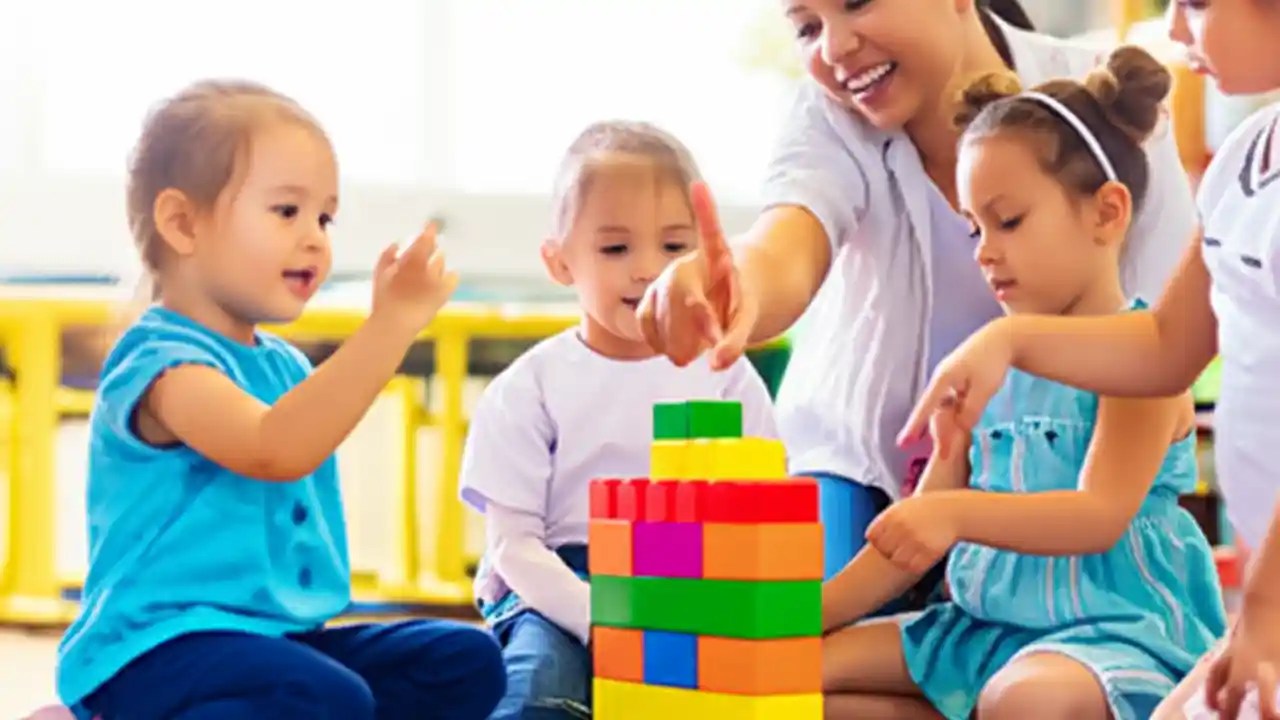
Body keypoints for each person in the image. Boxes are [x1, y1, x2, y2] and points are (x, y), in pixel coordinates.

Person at [637, 0, 1195, 587]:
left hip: (1052, 483)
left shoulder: (1106, 108)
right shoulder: (828, 116)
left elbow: (1162, 339)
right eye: (807, 27)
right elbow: (790, 238)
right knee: (801, 632)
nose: (834, 48)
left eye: (856, 4)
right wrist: (732, 288)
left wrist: (1014, 344)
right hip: (861, 469)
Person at [56, 80, 505, 720]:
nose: (317, 239)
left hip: (273, 644)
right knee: (320, 696)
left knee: (466, 660)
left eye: (325, 217)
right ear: (182, 224)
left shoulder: (281, 363)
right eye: (287, 212)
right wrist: (391, 326)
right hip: (151, 652)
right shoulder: (161, 363)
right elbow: (275, 446)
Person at [819, 46, 1226, 720]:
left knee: (1025, 699)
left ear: (1106, 212)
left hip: (1115, 633)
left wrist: (952, 513)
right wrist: (801, 616)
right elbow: (915, 532)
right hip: (982, 630)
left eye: (1008, 221)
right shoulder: (987, 364)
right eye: (974, 227)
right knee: (781, 677)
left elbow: (1096, 516)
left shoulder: (1142, 359)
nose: (984, 250)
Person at [897, 3, 1280, 718]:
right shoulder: (1238, 166)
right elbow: (1166, 347)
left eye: (1196, 2)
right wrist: (1003, 341)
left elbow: (1100, 506)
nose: (1172, 30)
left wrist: (1266, 608)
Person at [458, 121, 779, 720]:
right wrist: (598, 617)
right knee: (540, 689)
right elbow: (514, 546)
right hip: (557, 587)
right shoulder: (530, 386)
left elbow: (760, 512)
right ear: (559, 262)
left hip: (689, 576)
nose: (648, 269)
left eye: (674, 247)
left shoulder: (727, 373)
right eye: (615, 248)